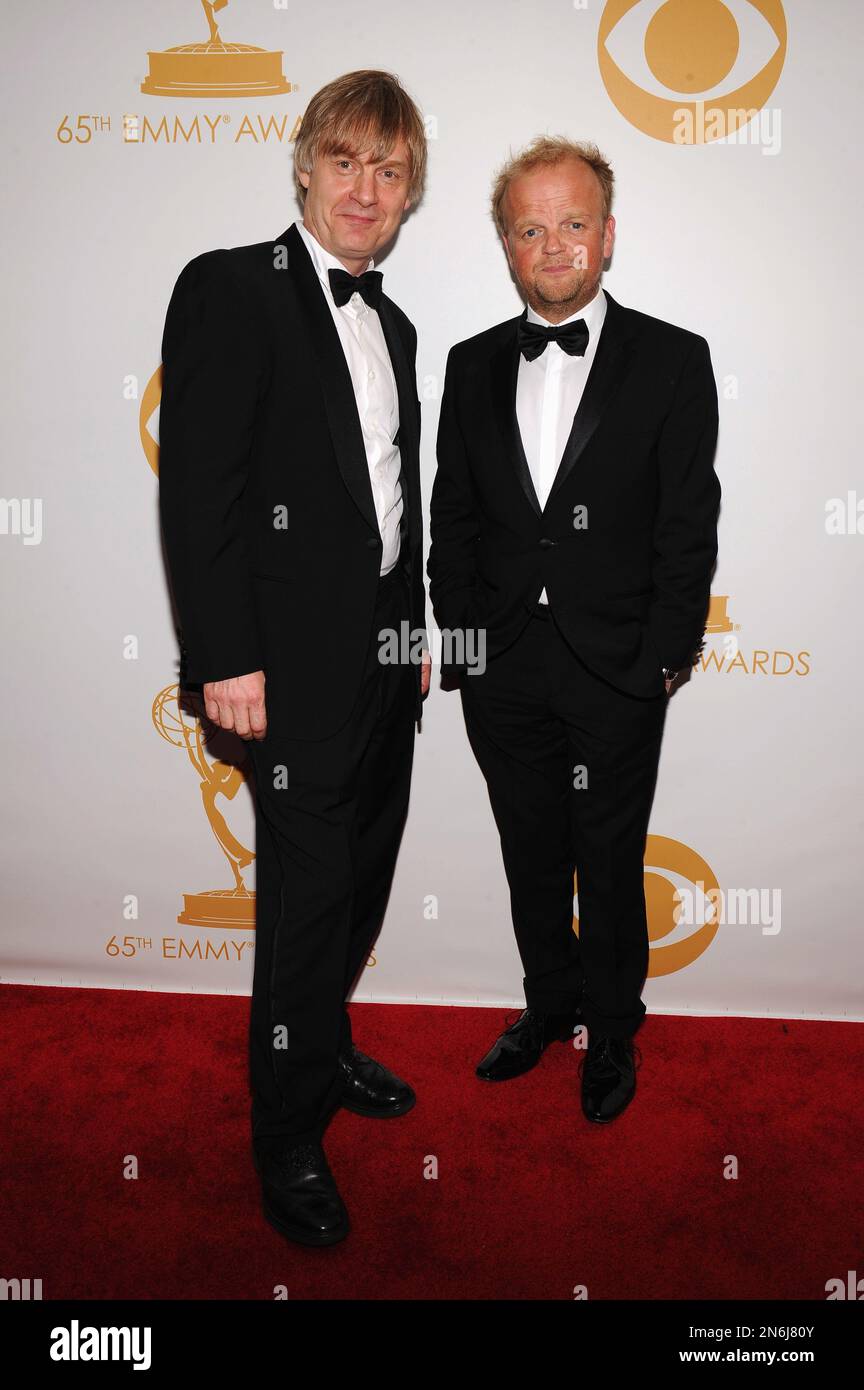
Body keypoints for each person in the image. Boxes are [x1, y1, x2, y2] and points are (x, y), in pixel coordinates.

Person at [159, 70, 429, 1245]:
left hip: (382, 666)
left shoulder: (398, 325)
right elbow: (200, 491)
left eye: (390, 169)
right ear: (305, 165)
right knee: (305, 908)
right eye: (346, 162)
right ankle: (284, 1133)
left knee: (359, 886)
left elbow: (394, 505)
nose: (365, 189)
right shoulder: (232, 288)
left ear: (409, 191)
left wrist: (420, 638)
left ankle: (323, 1052)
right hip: (280, 675)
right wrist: (223, 658)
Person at [428, 135, 720, 1125]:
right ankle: (546, 1010)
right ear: (507, 246)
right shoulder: (468, 365)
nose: (553, 246)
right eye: (530, 227)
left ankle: (612, 1028)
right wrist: (465, 640)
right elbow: (452, 518)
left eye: (573, 224)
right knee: (530, 848)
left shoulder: (674, 360)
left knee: (610, 852)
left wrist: (666, 657)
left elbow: (689, 520)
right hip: (503, 662)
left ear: (608, 236)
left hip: (617, 668)